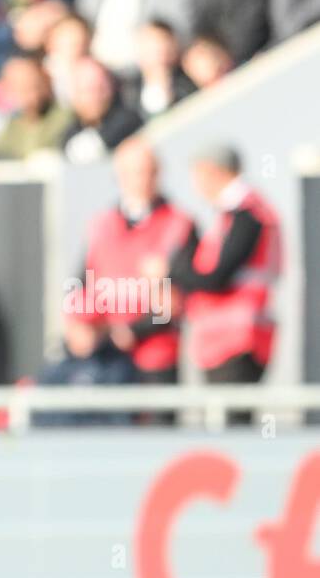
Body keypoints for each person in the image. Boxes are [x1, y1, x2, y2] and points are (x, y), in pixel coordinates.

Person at [167, 145, 281, 424]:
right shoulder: (236, 214)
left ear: (212, 172)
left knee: (233, 431)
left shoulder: (247, 215)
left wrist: (172, 273)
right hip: (226, 340)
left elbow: (217, 277)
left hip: (237, 341)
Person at [78, 138, 193, 394]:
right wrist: (83, 328)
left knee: (155, 431)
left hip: (155, 356)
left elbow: (177, 299)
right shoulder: (101, 225)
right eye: (132, 173)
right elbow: (81, 285)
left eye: (147, 171)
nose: (141, 180)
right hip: (105, 357)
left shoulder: (179, 223)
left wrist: (131, 330)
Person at [34, 306, 137, 426]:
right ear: (71, 328)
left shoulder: (118, 367)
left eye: (94, 327)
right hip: (61, 440)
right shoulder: (55, 370)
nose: (90, 334)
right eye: (83, 327)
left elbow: (120, 418)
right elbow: (43, 419)